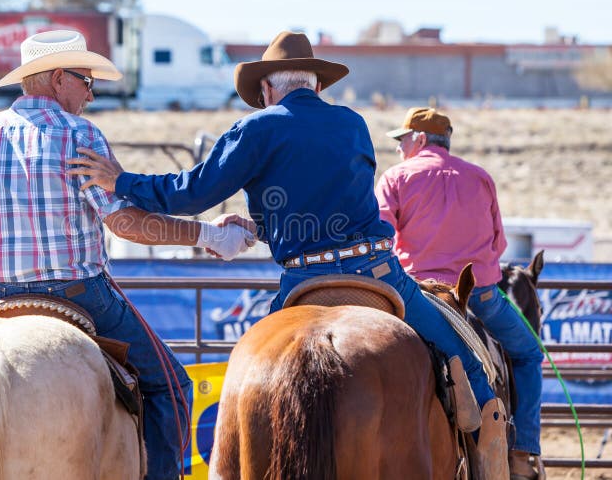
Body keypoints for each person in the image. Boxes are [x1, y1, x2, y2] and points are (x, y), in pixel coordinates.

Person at [69, 31, 508, 473]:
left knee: (255, 373)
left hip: (303, 278)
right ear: (315, 84)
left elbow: (191, 193)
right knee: (468, 368)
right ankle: (493, 459)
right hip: (377, 272)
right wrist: (264, 227)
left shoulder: (255, 129)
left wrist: (122, 181)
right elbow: (337, 207)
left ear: (266, 88)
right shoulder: (353, 124)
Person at [0, 29, 253, 480]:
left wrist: (10, 225)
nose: (91, 94)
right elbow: (126, 225)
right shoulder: (79, 134)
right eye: (87, 82)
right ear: (59, 79)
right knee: (171, 385)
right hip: (80, 294)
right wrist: (209, 236)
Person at [375, 107, 544, 479]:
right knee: (529, 354)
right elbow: (498, 243)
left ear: (420, 139)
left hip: (416, 295)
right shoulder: (480, 177)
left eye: (402, 140)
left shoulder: (396, 177)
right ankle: (521, 453)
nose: (399, 147)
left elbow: (381, 234)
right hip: (478, 294)